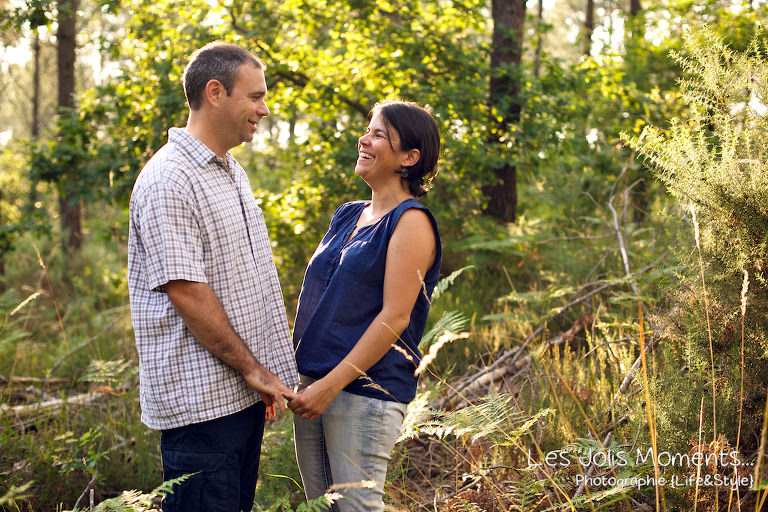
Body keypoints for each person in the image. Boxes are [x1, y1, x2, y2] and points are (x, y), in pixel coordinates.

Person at [127, 41, 298, 512]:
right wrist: (253, 369)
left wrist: (260, 373)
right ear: (216, 92)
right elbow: (187, 292)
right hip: (201, 411)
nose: (264, 109)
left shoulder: (228, 171)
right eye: (255, 96)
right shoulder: (170, 178)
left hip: (239, 399)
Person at [288, 100, 442, 511]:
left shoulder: (411, 221)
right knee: (320, 507)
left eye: (378, 135)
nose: (363, 139)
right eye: (367, 130)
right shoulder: (347, 215)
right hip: (313, 384)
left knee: (356, 507)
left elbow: (395, 317)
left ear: (409, 157)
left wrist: (330, 386)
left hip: (363, 393)